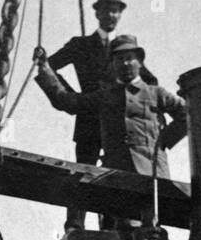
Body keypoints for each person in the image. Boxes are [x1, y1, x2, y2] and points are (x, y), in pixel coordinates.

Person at [35, 34, 187, 195]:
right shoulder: (105, 96)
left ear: (140, 62)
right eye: (119, 59)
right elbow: (68, 102)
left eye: (130, 58)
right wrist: (45, 70)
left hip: (153, 172)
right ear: (112, 65)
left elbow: (188, 114)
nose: (125, 63)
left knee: (151, 217)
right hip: (116, 175)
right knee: (122, 219)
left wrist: (162, 142)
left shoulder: (156, 93)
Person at [40, 0, 130, 231]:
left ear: (119, 14)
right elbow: (50, 66)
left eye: (115, 11)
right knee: (83, 171)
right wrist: (72, 97)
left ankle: (111, 227)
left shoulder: (126, 49)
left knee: (114, 175)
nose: (111, 16)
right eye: (107, 11)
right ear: (97, 13)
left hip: (116, 123)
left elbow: (147, 80)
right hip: (89, 118)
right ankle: (74, 224)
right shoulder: (81, 45)